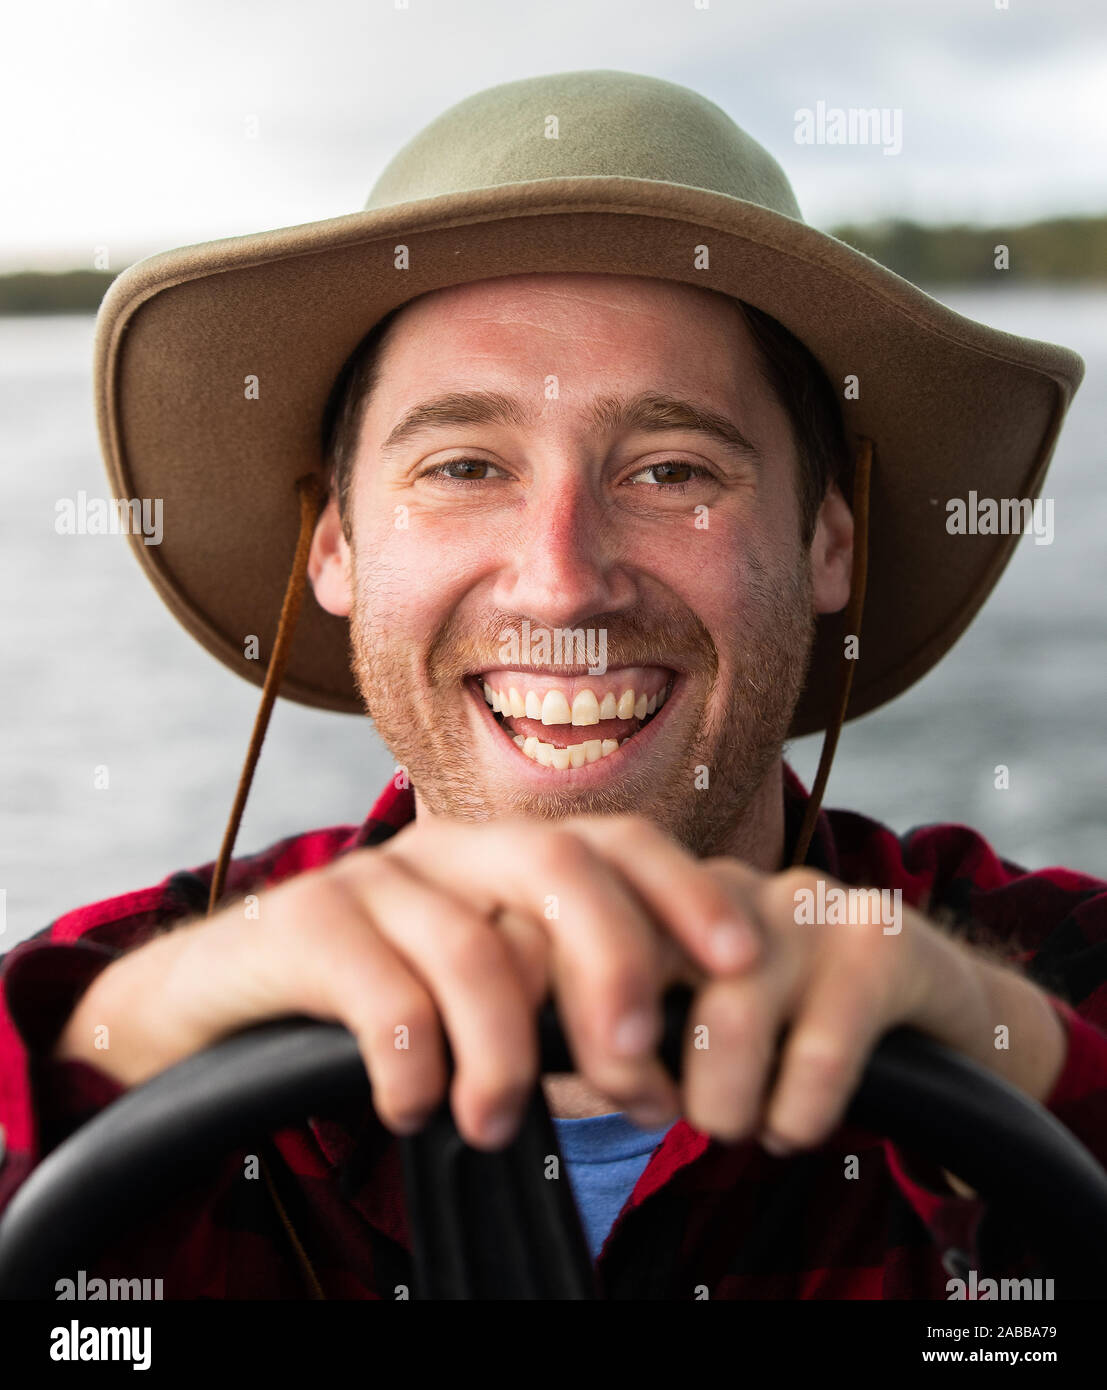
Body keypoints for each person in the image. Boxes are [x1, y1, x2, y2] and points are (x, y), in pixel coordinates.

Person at [1, 69, 1104, 1301]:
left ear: (826, 542)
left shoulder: (1060, 972)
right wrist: (112, 1065)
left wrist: (1029, 1069)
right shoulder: (109, 996)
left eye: (673, 470)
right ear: (336, 547)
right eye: (465, 466)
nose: (563, 583)